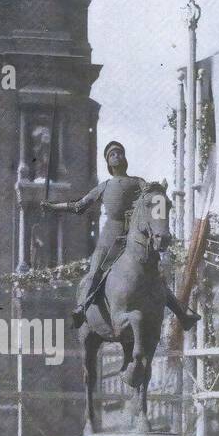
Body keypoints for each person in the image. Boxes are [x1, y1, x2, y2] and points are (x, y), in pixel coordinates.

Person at [44, 141, 199, 330]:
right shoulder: (104, 186)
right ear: (108, 163)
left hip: (135, 238)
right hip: (109, 238)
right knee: (96, 269)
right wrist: (53, 206)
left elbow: (153, 197)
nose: (117, 156)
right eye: (112, 155)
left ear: (125, 158)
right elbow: (79, 206)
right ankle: (82, 308)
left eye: (120, 153)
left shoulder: (138, 182)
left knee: (154, 276)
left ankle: (182, 313)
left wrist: (158, 190)